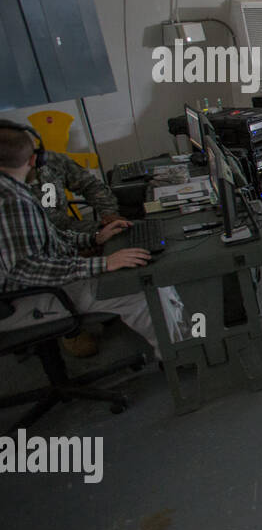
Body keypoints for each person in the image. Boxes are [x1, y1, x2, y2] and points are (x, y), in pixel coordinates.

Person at [0, 124, 162, 358]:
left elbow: (48, 237)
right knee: (139, 291)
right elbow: (26, 268)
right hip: (21, 299)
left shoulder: (12, 190)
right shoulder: (11, 200)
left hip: (31, 285)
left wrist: (94, 238)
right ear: (34, 158)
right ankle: (181, 358)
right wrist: (103, 264)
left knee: (132, 274)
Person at [24, 147, 124, 233]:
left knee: (121, 231)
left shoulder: (51, 161)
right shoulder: (12, 191)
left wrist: (109, 213)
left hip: (69, 230)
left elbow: (90, 184)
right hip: (40, 244)